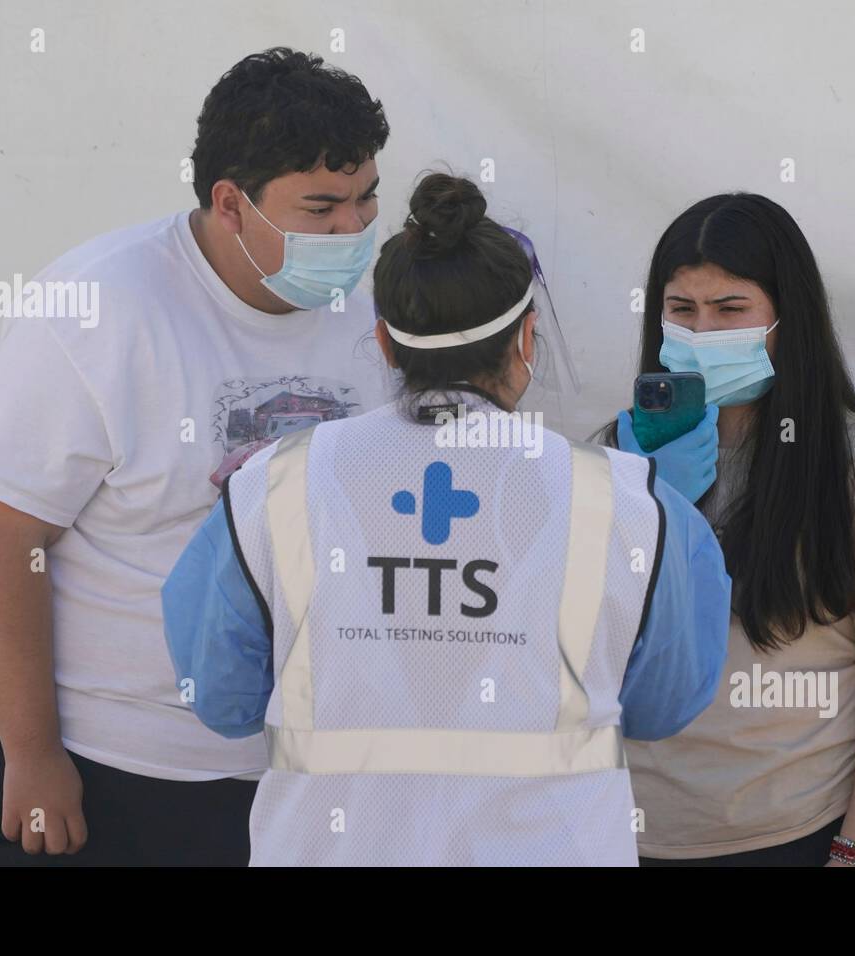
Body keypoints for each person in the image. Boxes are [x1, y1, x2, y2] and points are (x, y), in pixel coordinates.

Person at [161, 173, 733, 866]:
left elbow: (220, 699)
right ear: (527, 339)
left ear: (384, 342)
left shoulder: (270, 487)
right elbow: (664, 706)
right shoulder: (635, 507)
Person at [0, 48, 393, 866]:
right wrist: (36, 756)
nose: (354, 230)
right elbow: (0, 538)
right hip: (93, 749)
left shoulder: (375, 310)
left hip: (278, 770)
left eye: (367, 198)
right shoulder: (100, 308)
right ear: (230, 203)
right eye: (322, 207)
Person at [606, 193, 855, 867]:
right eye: (682, 310)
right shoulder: (614, 460)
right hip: (629, 837)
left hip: (797, 839)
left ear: (787, 320)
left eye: (730, 310)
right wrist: (643, 505)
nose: (702, 333)